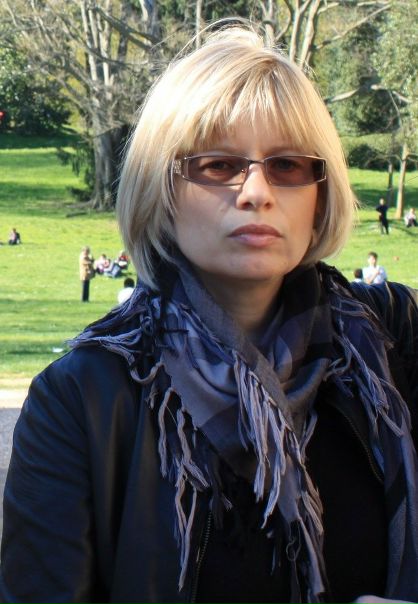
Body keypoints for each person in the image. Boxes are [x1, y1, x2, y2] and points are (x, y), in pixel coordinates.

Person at [1, 24, 418, 604]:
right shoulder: (82, 400)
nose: (256, 192)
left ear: (320, 192)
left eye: (287, 165)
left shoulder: (393, 340)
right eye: (219, 165)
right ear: (161, 188)